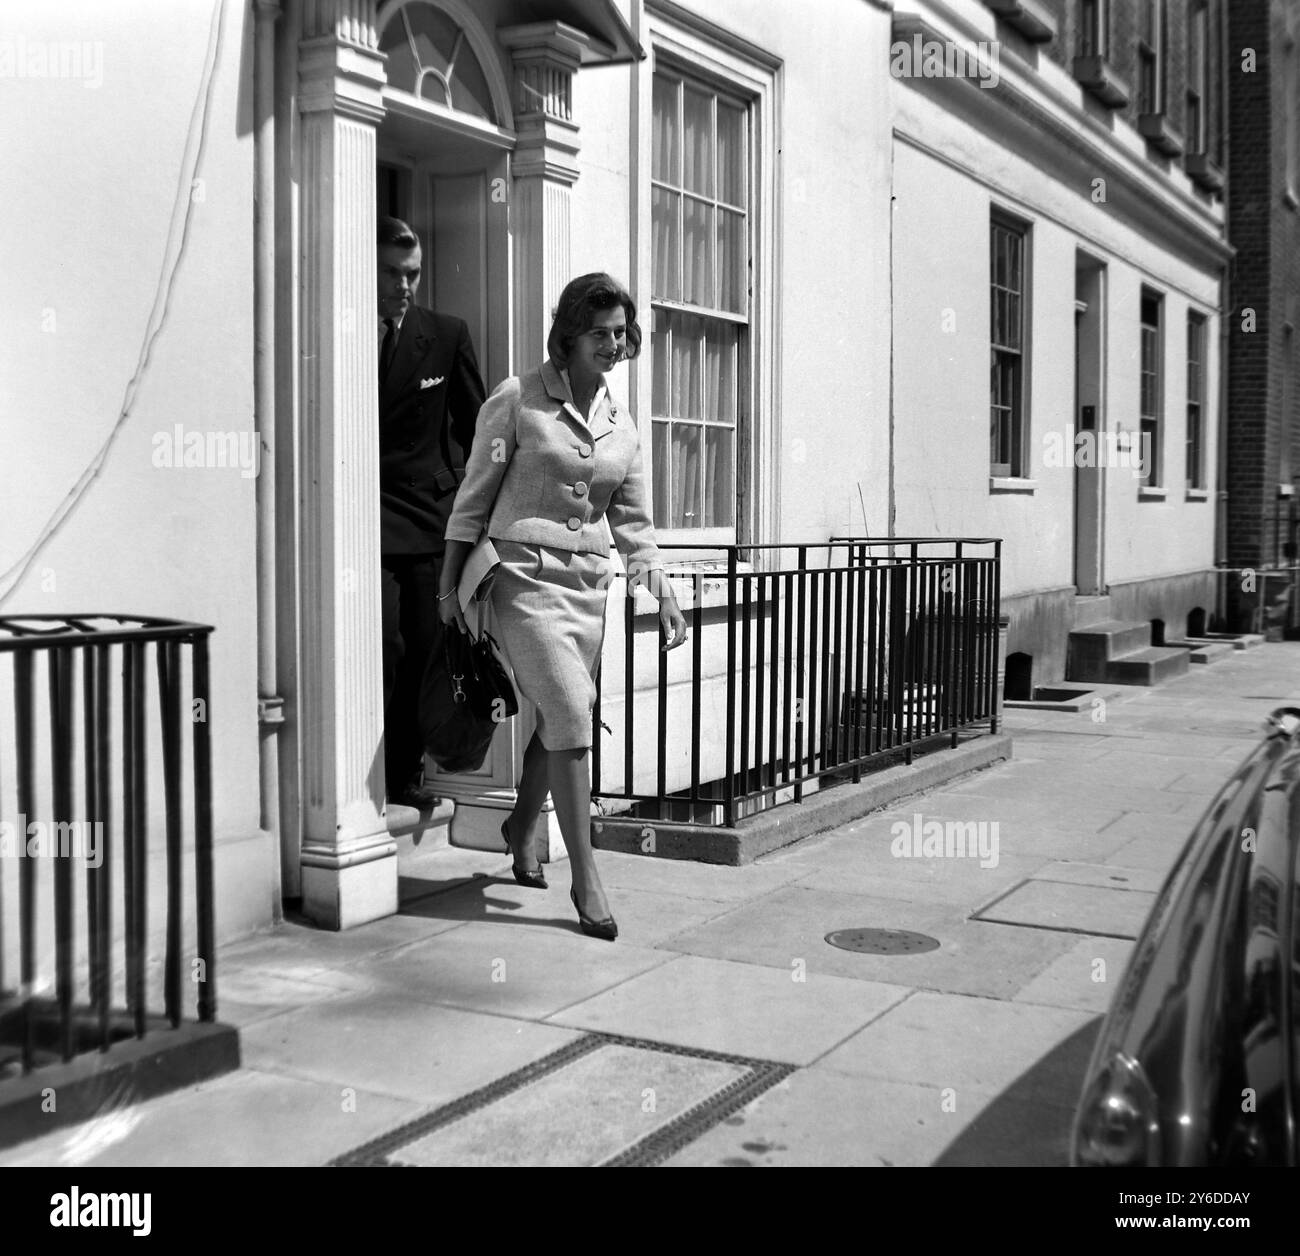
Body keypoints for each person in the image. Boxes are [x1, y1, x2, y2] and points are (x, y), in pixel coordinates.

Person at [438, 273, 687, 940]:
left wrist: (660, 592)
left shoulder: (622, 425)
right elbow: (472, 500)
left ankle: (521, 826)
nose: (613, 343)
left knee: (561, 718)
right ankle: (587, 879)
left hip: (587, 590)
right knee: (573, 713)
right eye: (600, 331)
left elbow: (634, 525)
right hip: (522, 583)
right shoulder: (517, 399)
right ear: (569, 334)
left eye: (620, 332)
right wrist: (448, 589)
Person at [377, 215, 486, 810]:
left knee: (420, 648)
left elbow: (481, 430)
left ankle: (405, 773)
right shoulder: (333, 326)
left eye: (413, 273)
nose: (405, 285)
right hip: (360, 519)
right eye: (392, 272)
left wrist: (475, 519)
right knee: (380, 648)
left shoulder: (444, 334)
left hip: (425, 521)